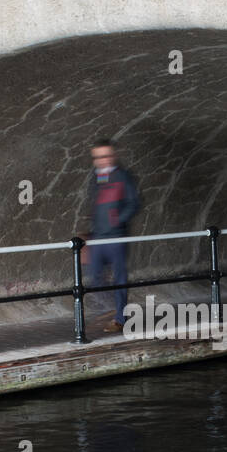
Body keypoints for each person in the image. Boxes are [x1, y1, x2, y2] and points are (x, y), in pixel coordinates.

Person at [81, 139, 141, 332]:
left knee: (119, 277)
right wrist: (90, 231)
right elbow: (95, 203)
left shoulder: (123, 176)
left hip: (116, 236)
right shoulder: (95, 177)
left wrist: (117, 220)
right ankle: (115, 309)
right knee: (94, 274)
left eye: (105, 156)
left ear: (113, 156)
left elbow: (134, 203)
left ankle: (120, 319)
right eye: (97, 157)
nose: (101, 160)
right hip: (98, 235)